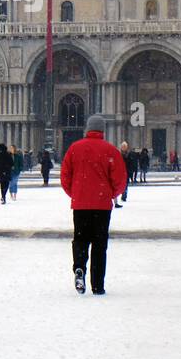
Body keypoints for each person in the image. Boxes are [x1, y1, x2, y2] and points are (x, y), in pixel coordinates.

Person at [60, 115, 127, 296]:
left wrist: (76, 194)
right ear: (102, 130)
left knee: (80, 239)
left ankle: (79, 267)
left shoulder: (74, 148)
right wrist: (110, 195)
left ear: (87, 129)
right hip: (102, 206)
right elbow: (120, 179)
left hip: (80, 205)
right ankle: (97, 285)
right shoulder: (111, 150)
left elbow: (65, 176)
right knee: (99, 245)